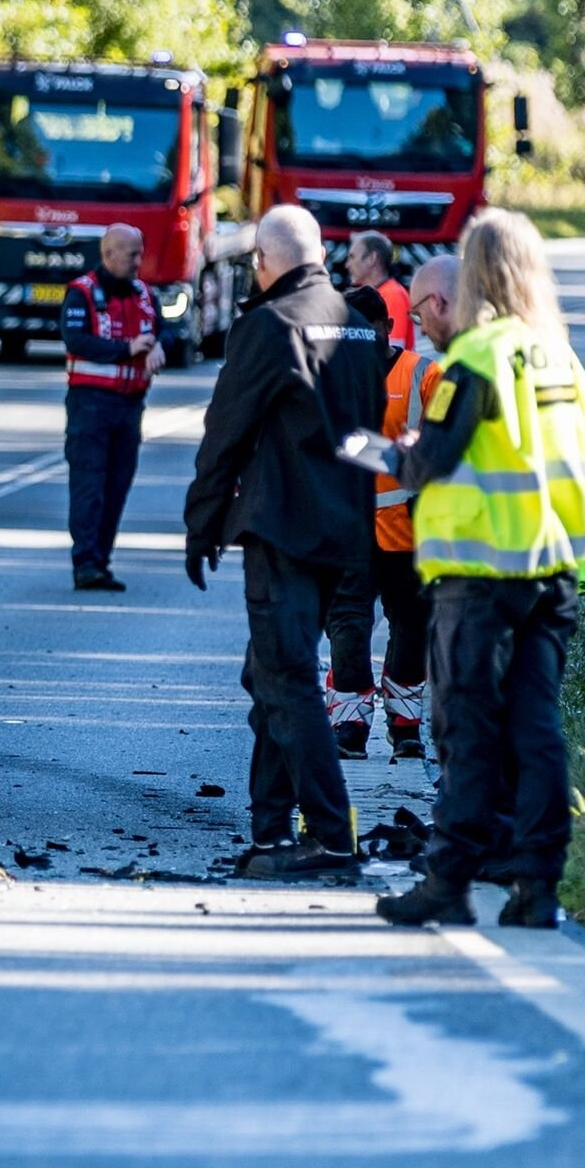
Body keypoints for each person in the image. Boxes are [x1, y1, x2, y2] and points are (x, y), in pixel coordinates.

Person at [378, 211, 585, 933]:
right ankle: (538, 886)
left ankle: (448, 881)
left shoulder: (477, 358)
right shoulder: (558, 355)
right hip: (554, 570)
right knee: (537, 730)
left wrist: (392, 454)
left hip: (480, 574)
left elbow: (430, 460)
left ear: (474, 275)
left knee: (467, 730)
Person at [181, 205, 386, 878]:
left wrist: (201, 522)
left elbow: (226, 430)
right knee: (270, 672)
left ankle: (331, 837)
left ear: (267, 263)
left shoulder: (269, 325)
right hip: (348, 533)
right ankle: (269, 833)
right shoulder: (360, 327)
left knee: (289, 679)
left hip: (284, 531)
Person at [322, 252, 443, 766]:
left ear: (384, 327)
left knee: (396, 627)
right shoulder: (328, 376)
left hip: (394, 531)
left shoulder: (421, 375)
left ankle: (387, 723)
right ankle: (371, 724)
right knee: (363, 626)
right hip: (364, 531)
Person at [56, 222, 160, 592]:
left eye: (139, 253)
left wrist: (158, 347)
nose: (138, 261)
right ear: (108, 254)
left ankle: (101, 560)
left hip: (130, 406)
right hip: (90, 406)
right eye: (131, 254)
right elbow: (76, 340)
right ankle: (85, 562)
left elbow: (157, 333)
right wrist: (125, 349)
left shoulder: (145, 295)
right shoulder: (81, 294)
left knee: (117, 486)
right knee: (89, 485)